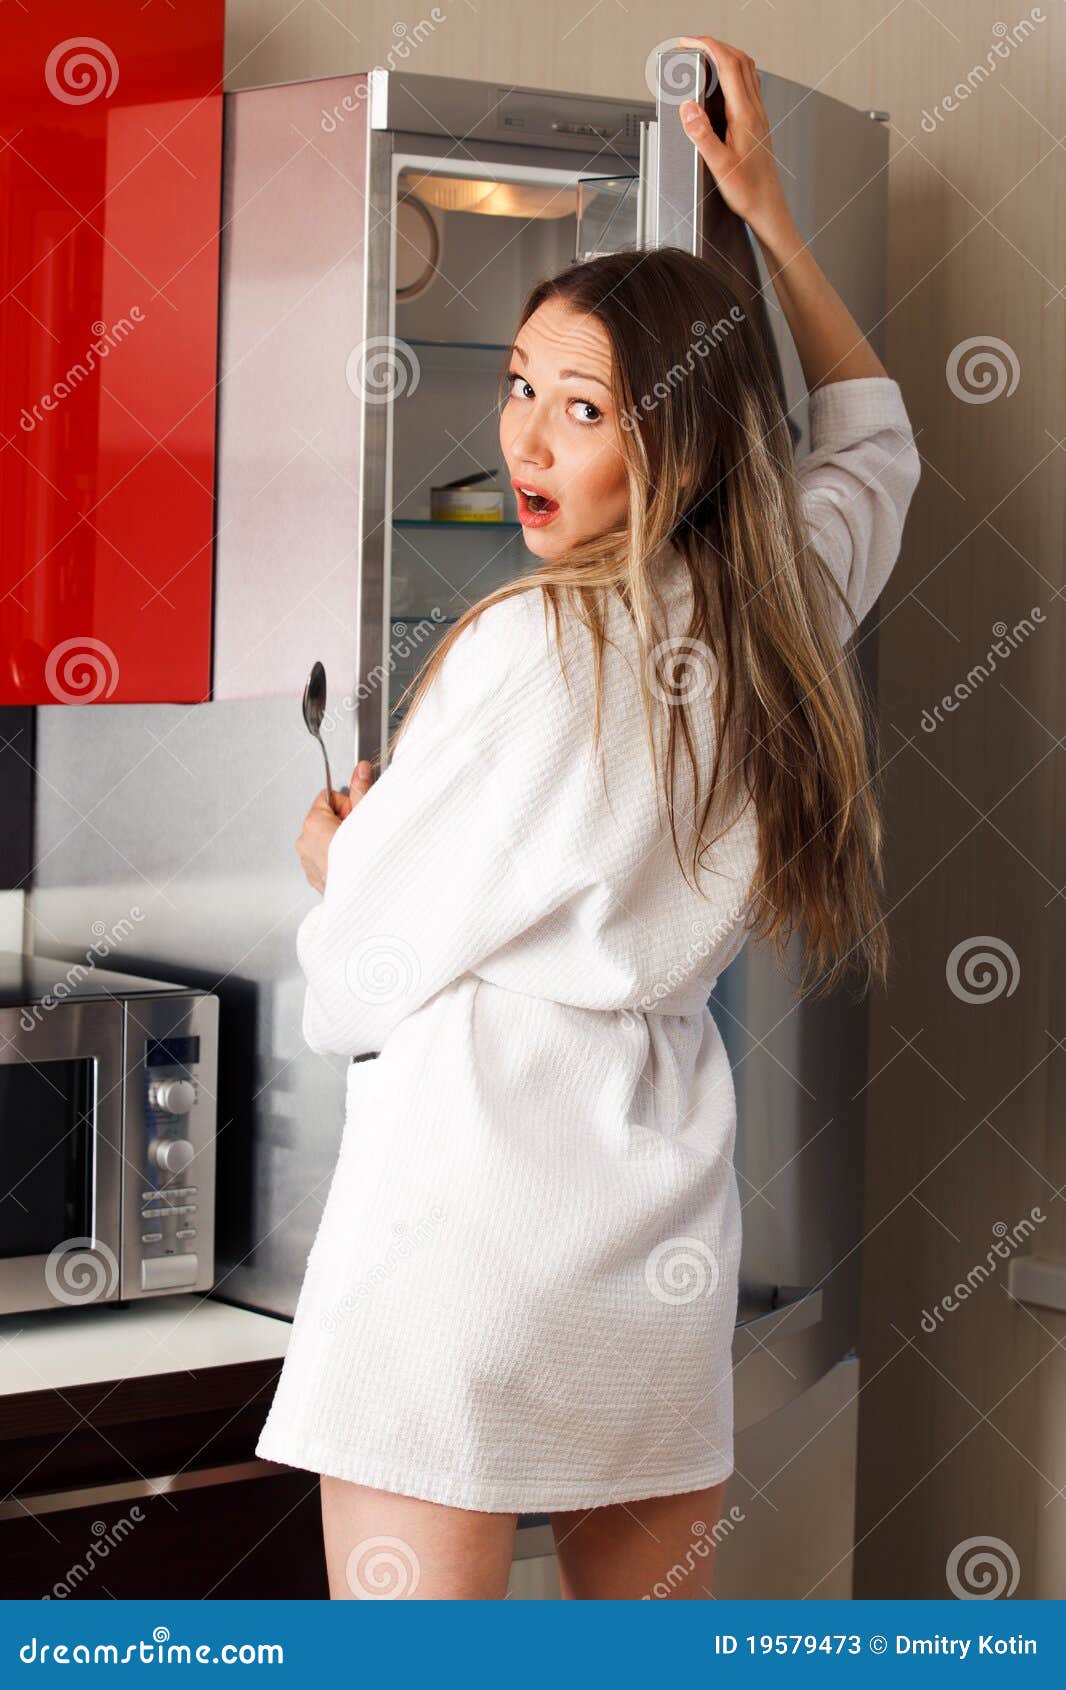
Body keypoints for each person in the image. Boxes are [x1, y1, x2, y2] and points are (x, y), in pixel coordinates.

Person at [255, 33, 920, 1600]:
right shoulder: (778, 605)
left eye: (582, 410)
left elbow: (357, 973)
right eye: (518, 390)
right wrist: (760, 210)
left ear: (672, 438)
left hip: (458, 1241)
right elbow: (875, 437)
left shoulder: (528, 648)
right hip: (649, 1228)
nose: (526, 442)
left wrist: (336, 858)